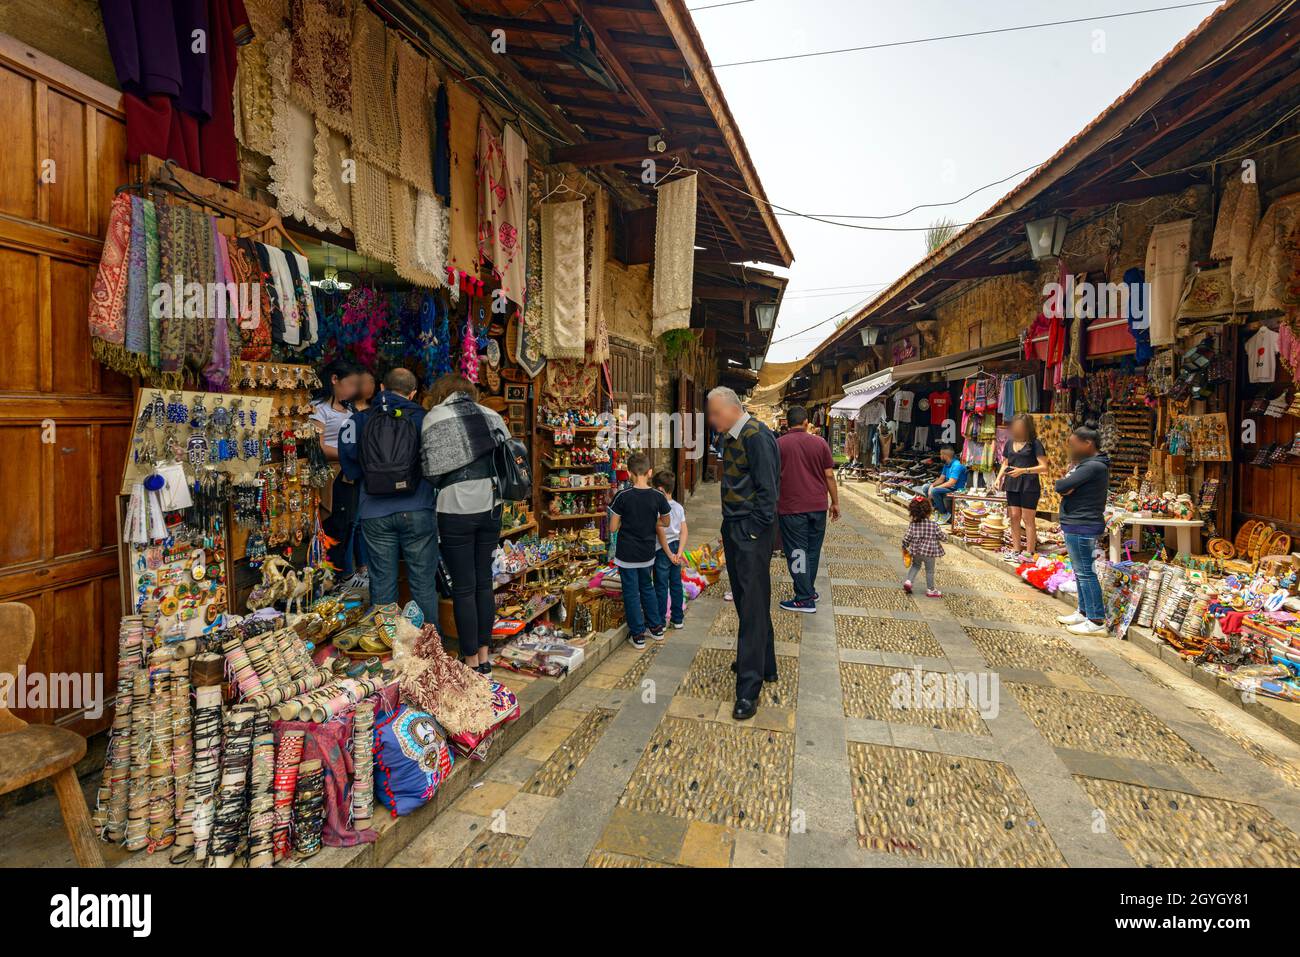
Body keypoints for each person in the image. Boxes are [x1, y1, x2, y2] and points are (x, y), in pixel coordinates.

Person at [338, 367, 439, 639]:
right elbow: (436, 463)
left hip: (374, 512)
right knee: (423, 584)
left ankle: (386, 647)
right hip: (418, 509)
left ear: (381, 387)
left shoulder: (358, 420)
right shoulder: (425, 419)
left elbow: (349, 466)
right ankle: (429, 651)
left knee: (382, 584)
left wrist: (372, 479)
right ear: (414, 393)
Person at [420, 374, 510, 674]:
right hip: (492, 504)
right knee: (484, 580)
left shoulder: (435, 417)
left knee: (463, 585)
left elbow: (431, 468)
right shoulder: (492, 414)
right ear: (471, 392)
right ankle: (485, 655)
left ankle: (470, 658)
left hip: (456, 505)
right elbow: (507, 458)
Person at [707, 387, 780, 722]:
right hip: (735, 529)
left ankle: (747, 690)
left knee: (751, 606)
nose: (711, 420)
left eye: (714, 414)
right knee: (747, 600)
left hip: (750, 531)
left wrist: (752, 530)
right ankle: (765, 664)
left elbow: (769, 489)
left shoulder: (757, 436)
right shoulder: (732, 436)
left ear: (732, 409)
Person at [776, 404, 839, 613]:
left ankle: (804, 598)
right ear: (806, 423)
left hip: (792, 508)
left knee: (796, 552)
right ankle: (808, 591)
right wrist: (835, 502)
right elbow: (829, 475)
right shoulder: (820, 443)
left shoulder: (779, 445)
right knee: (812, 551)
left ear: (787, 422)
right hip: (818, 507)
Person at [610, 453, 671, 649]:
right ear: (650, 472)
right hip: (647, 552)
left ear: (628, 473)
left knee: (631, 592)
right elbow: (666, 522)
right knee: (647, 587)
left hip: (626, 553)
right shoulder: (658, 496)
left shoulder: (622, 496)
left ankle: (638, 635)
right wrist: (650, 522)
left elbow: (612, 528)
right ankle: (656, 628)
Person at [1055, 425, 1111, 636]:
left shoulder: (1092, 467)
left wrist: (1067, 486)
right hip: (1078, 522)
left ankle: (1096, 620)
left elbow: (1061, 486)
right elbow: (1066, 485)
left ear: (1087, 444)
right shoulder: (1088, 465)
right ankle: (1084, 611)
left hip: (1082, 523)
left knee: (1086, 572)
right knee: (1081, 572)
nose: (1071, 448)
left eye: (1074, 444)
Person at [310, 358, 362, 573]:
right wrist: (350, 455)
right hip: (333, 476)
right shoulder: (319, 408)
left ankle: (343, 574)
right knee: (334, 525)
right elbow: (318, 447)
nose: (353, 390)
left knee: (349, 524)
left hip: (350, 474)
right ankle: (331, 576)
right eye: (349, 384)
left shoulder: (349, 408)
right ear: (334, 380)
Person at [994, 413, 1048, 558]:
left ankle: (1030, 552)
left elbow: (1044, 467)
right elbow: (1005, 462)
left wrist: (1023, 471)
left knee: (1028, 518)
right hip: (1012, 483)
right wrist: (998, 478)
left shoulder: (1035, 443)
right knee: (1013, 516)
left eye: (1020, 426)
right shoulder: (1009, 442)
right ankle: (1015, 549)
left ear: (1027, 428)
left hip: (1029, 484)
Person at [652, 470, 688, 630]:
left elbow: (660, 533)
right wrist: (679, 553)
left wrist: (669, 554)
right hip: (675, 547)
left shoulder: (658, 508)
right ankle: (677, 619)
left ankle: (660, 621)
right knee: (676, 585)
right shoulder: (679, 507)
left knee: (660, 586)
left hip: (662, 550)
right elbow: (684, 531)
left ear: (659, 490)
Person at [901, 495, 946, 597]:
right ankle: (930, 590)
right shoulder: (934, 525)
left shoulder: (913, 524)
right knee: (929, 571)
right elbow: (941, 536)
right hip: (930, 553)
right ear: (929, 512)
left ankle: (908, 581)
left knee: (915, 566)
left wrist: (904, 546)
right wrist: (945, 538)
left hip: (916, 551)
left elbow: (907, 538)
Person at [921, 445, 967, 523]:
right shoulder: (947, 464)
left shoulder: (957, 465)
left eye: (940, 454)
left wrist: (935, 488)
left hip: (956, 489)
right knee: (926, 487)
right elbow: (941, 479)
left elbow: (951, 482)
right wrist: (932, 485)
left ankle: (944, 514)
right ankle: (937, 510)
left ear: (945, 455)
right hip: (949, 487)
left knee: (935, 491)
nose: (940, 456)